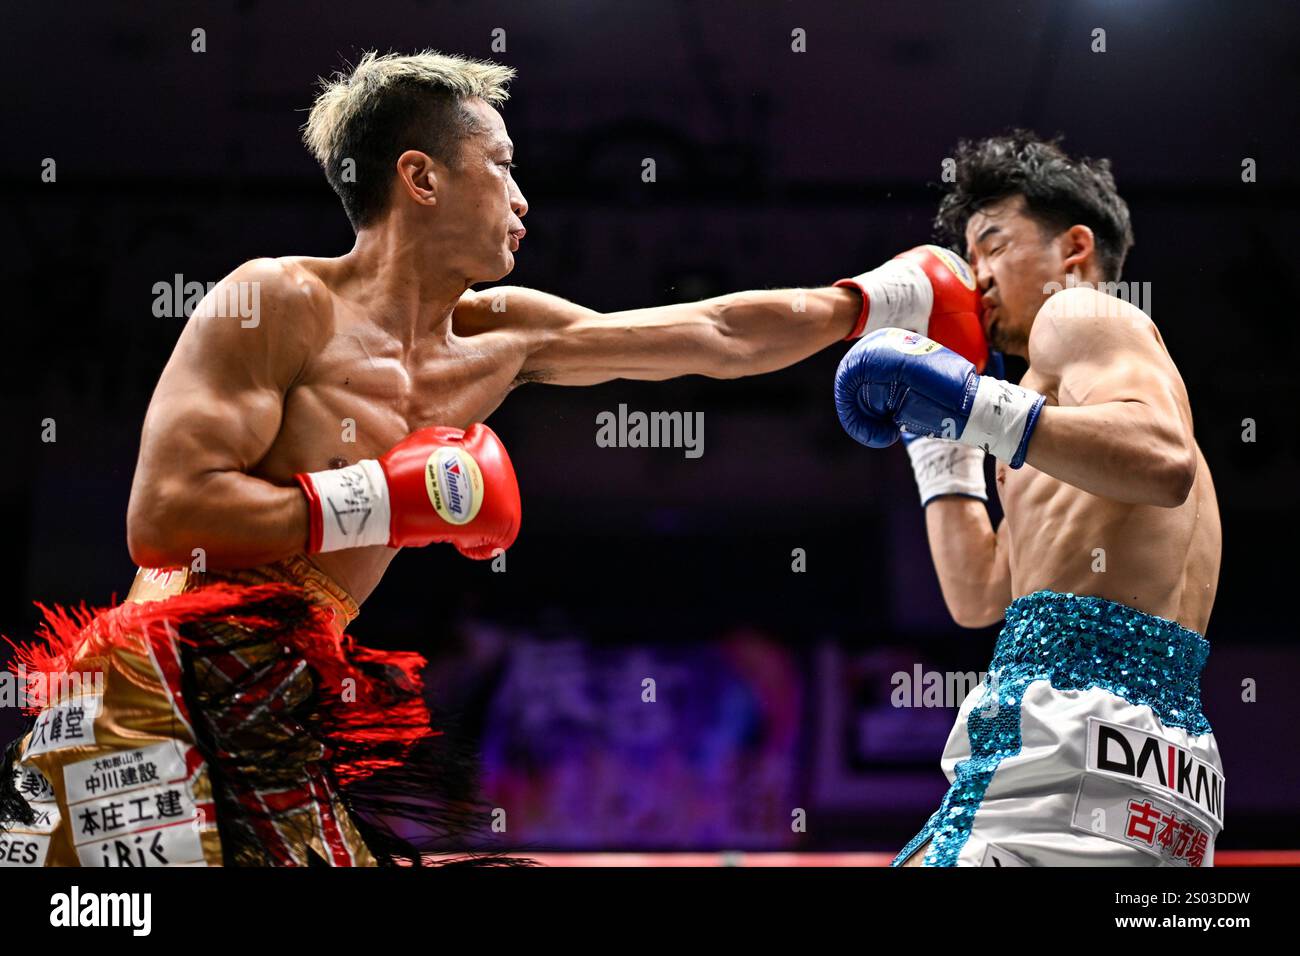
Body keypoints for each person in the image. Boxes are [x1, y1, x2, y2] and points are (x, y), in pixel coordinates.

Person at [0, 50, 983, 867]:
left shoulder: (504, 338)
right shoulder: (277, 301)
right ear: (420, 177)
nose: (522, 196)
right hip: (157, 688)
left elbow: (713, 333)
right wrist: (377, 497)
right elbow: (165, 515)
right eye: (501, 164)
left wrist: (878, 299)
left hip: (287, 699)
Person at [835, 131, 1223, 866]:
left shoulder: (1080, 317)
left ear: (1074, 249)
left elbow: (1164, 460)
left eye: (993, 243)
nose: (974, 276)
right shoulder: (1048, 422)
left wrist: (968, 403)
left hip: (1067, 723)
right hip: (1169, 762)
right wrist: (937, 438)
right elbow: (981, 595)